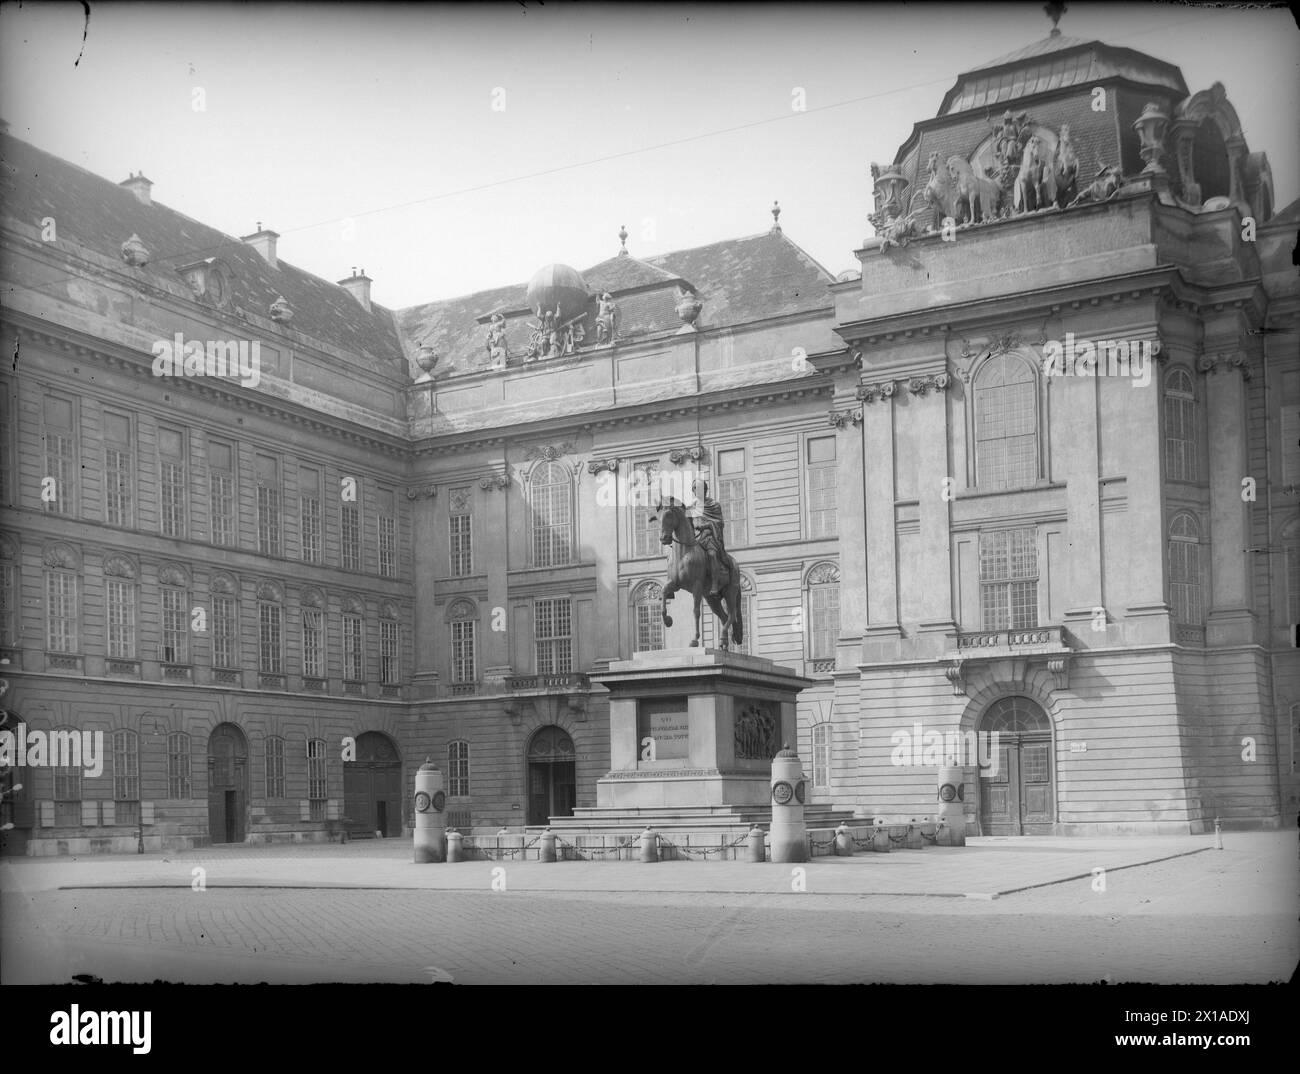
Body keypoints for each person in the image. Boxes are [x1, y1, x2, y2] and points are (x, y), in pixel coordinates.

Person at [690, 479, 728, 596]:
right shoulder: (691, 506)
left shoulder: (714, 505)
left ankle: (715, 584)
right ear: (694, 491)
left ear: (705, 490)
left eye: (701, 488)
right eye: (696, 488)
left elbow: (719, 523)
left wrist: (705, 525)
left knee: (712, 554)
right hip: (695, 538)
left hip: (709, 536)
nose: (698, 491)